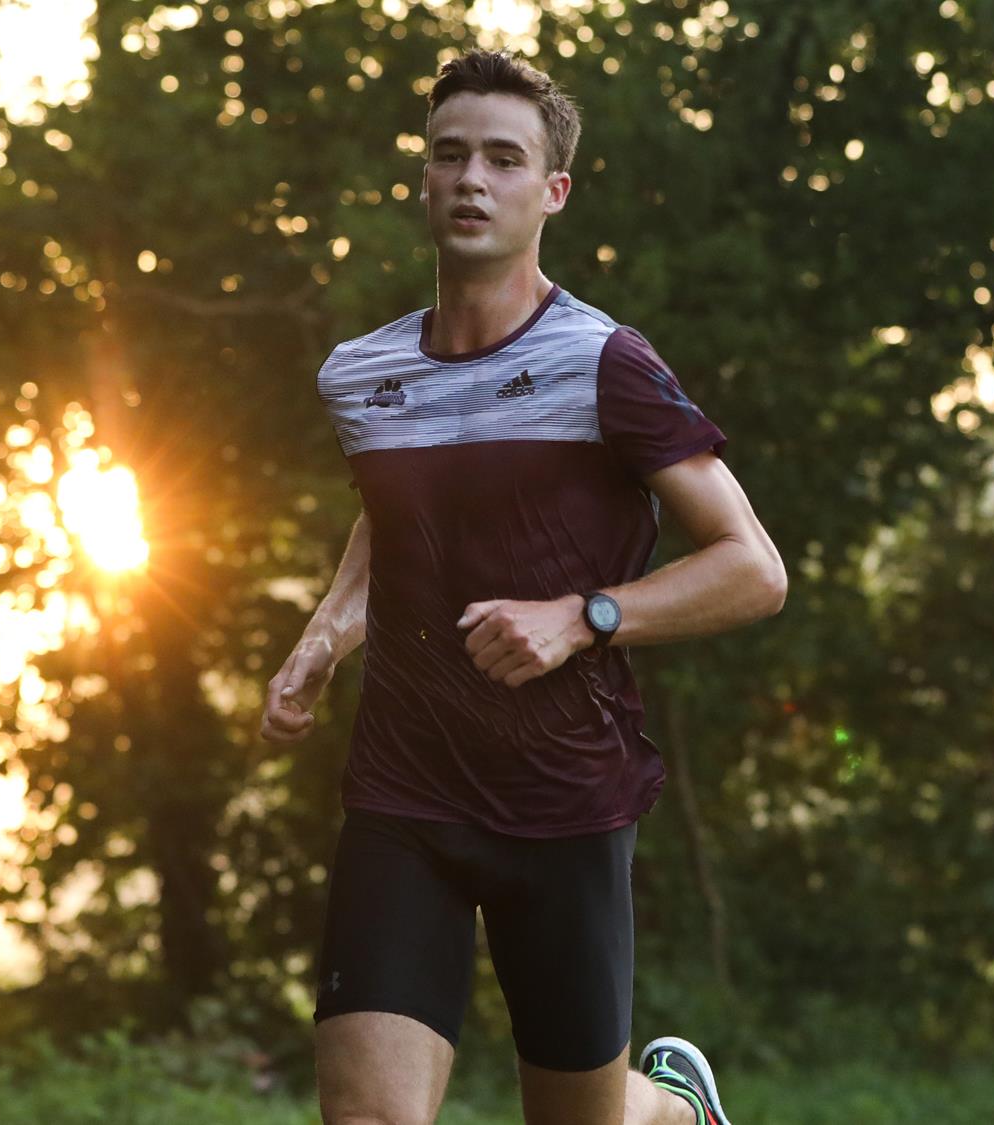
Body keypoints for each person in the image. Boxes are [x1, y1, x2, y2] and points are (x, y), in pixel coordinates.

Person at [259, 47, 784, 1125]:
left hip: (563, 802)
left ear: (551, 192)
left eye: (503, 159)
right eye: (448, 155)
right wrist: (323, 638)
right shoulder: (363, 377)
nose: (469, 179)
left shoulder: (604, 365)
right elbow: (394, 517)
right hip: (405, 794)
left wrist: (585, 618)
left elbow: (753, 569)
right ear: (421, 178)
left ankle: (670, 1111)